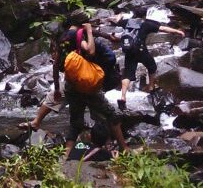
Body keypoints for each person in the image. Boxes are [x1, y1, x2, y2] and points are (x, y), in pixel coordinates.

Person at [20, 21, 129, 158]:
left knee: (75, 121)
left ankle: (66, 154)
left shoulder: (63, 39)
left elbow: (55, 66)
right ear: (81, 25)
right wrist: (89, 31)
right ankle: (124, 147)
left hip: (71, 84)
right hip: (89, 86)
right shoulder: (81, 36)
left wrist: (58, 87)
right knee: (112, 115)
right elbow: (91, 50)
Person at [112, 9, 185, 109]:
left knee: (128, 74)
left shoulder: (127, 22)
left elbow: (117, 20)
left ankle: (123, 97)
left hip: (129, 51)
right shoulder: (146, 24)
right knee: (152, 66)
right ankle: (151, 87)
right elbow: (163, 28)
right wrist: (177, 31)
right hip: (141, 50)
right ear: (144, 16)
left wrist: (120, 15)